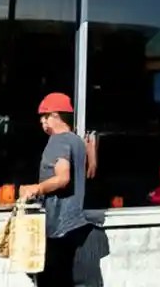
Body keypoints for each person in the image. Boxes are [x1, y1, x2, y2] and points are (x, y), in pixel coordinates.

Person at [19, 93, 109, 287]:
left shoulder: (57, 141)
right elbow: (89, 174)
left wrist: (35, 188)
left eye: (45, 116)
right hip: (86, 230)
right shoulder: (77, 141)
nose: (42, 121)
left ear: (57, 116)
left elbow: (63, 177)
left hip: (62, 232)